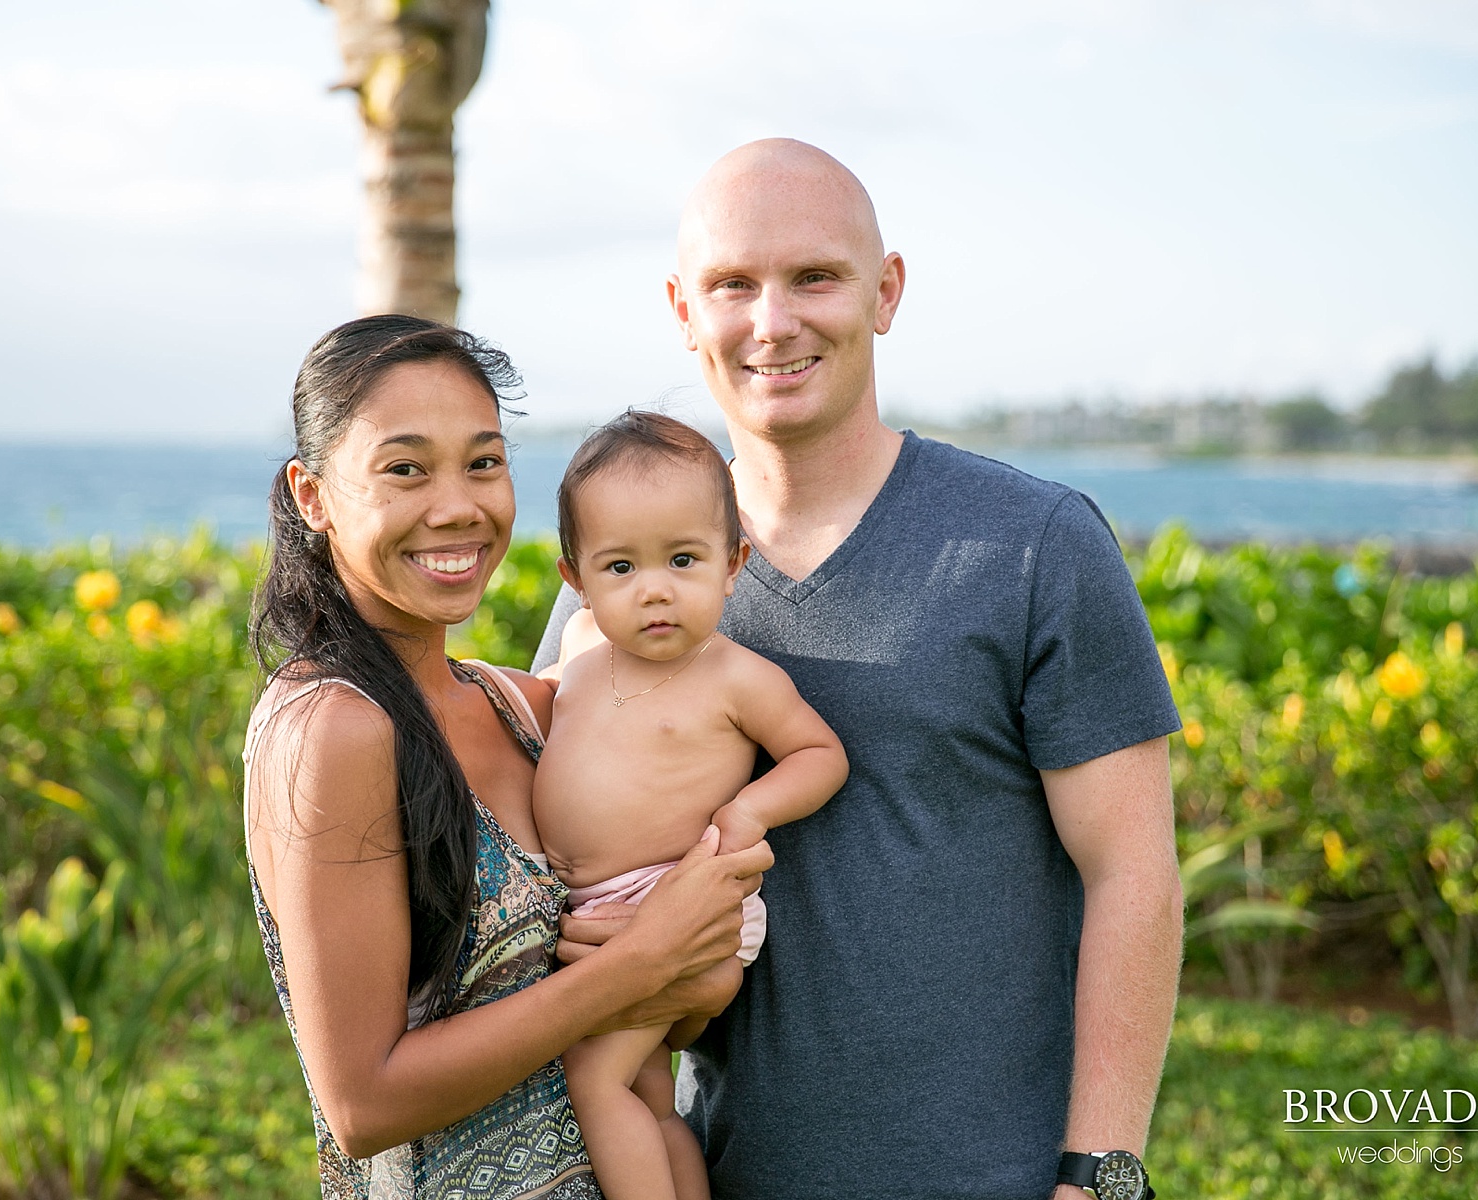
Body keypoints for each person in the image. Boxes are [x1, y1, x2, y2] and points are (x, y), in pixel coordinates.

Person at [535, 141, 1186, 1200]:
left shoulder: (1036, 543)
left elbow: (1134, 874)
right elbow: (549, 842)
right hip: (721, 1173)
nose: (772, 320)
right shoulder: (623, 578)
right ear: (682, 310)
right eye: (732, 284)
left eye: (815, 277)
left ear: (884, 292)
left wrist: (1100, 1174)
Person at [242, 314, 772, 1199]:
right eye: (405, 468)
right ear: (313, 496)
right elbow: (363, 1103)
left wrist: (690, 930)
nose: (459, 506)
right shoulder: (330, 729)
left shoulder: (526, 705)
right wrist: (633, 966)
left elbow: (649, 1013)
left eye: (483, 461)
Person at [532, 411, 848, 1200]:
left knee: (594, 1080)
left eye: (682, 559)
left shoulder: (736, 676)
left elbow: (822, 755)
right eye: (620, 569)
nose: (655, 591)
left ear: (733, 562)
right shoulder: (577, 654)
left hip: (677, 902)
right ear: (576, 581)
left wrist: (748, 814)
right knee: (644, 1087)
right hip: (604, 907)